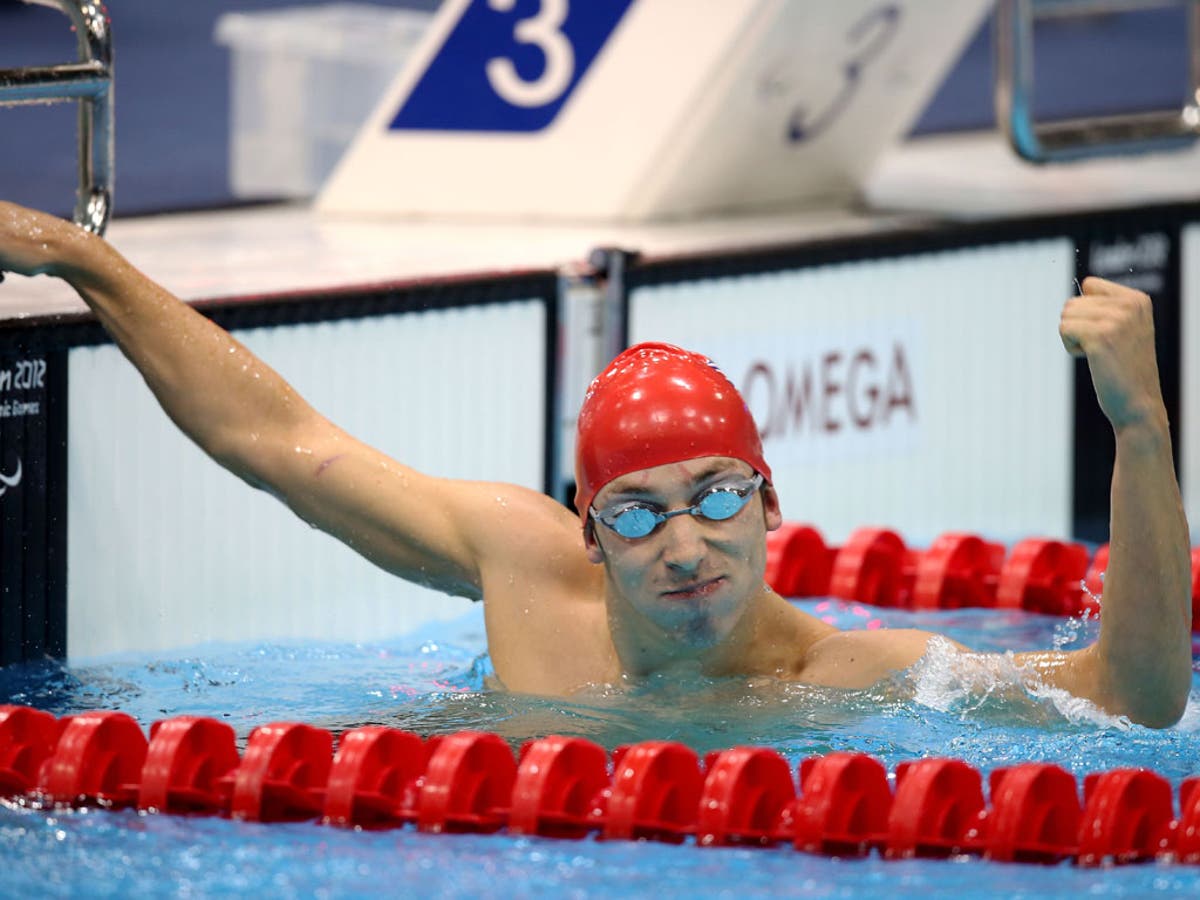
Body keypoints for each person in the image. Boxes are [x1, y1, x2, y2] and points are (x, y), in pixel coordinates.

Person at [0, 200, 1191, 727]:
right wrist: (80, 262)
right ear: (584, 531)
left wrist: (1141, 429)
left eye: (720, 498)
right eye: (637, 515)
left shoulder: (855, 676)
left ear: (772, 502)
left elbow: (1132, 703)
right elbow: (278, 445)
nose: (685, 545)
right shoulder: (521, 568)